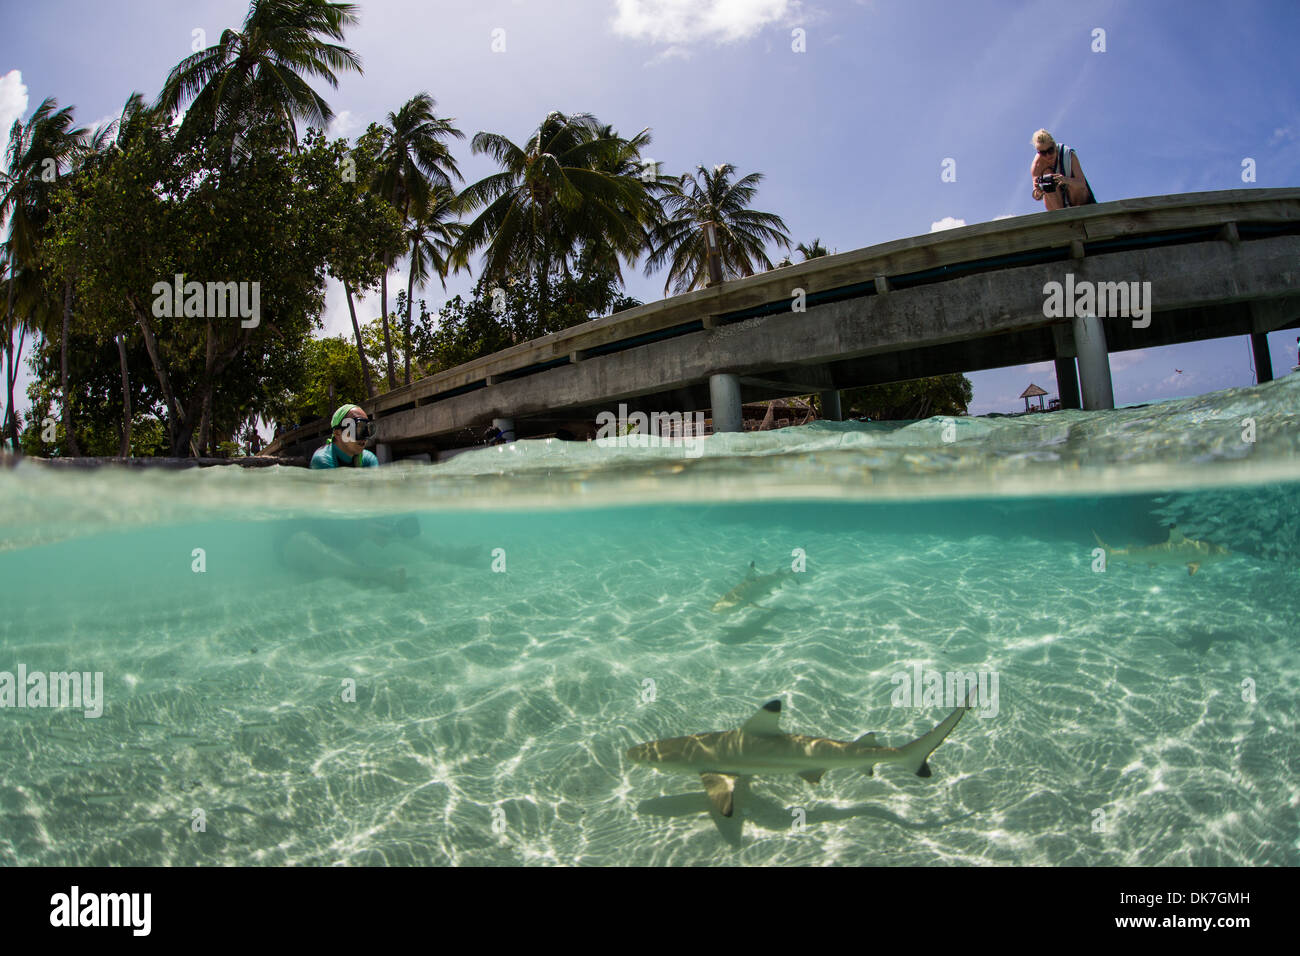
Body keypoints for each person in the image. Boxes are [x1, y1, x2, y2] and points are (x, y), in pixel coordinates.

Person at [1030, 129, 1094, 210]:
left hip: (1079, 200)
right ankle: (1062, 216)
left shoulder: (1068, 154)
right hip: (1057, 204)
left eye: (1050, 150)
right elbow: (1036, 195)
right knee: (1047, 176)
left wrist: (1065, 180)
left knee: (1074, 186)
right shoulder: (1037, 165)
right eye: (1043, 153)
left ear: (1054, 145)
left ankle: (1078, 214)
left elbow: (1082, 183)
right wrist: (1038, 191)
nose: (1047, 156)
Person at [311, 403, 379, 469]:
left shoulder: (368, 459)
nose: (364, 437)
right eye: (357, 430)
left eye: (366, 430)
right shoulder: (322, 460)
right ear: (337, 433)